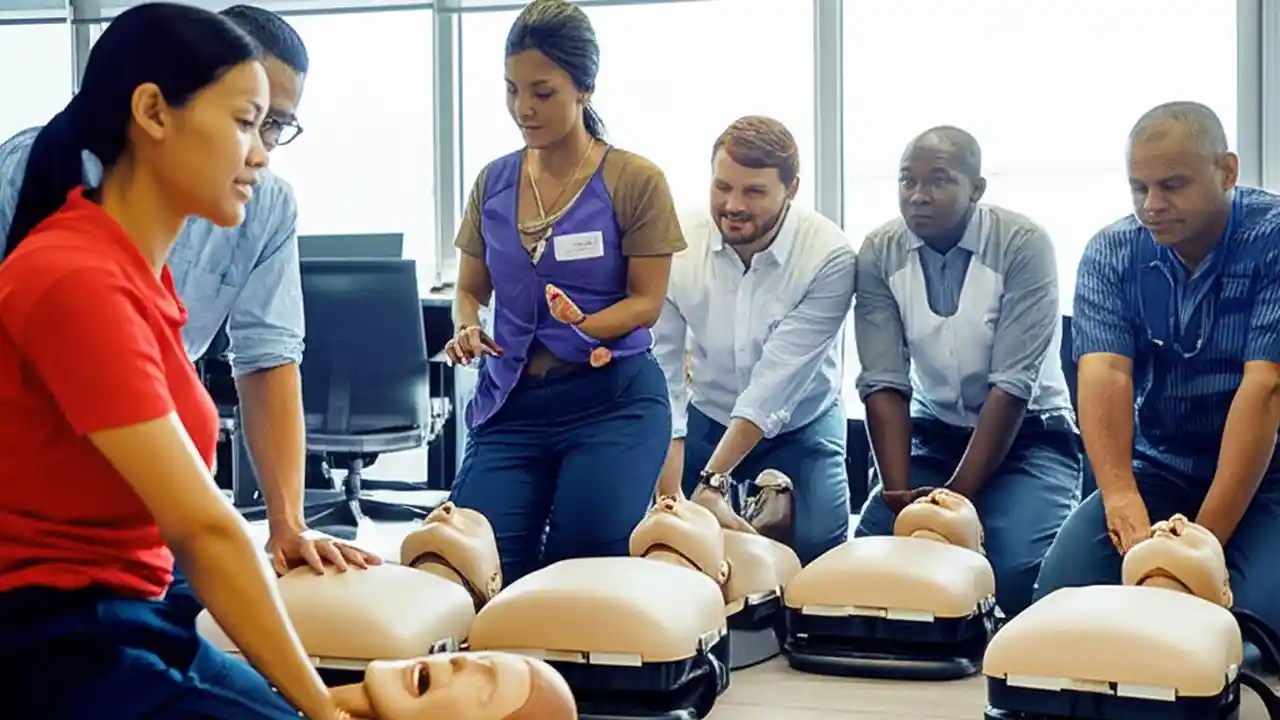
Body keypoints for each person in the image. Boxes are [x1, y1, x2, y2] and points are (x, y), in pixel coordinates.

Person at [0, 5, 349, 718]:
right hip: (46, 631)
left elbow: (270, 360)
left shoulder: (140, 276)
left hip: (133, 609)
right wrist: (323, 706)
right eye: (246, 122)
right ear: (154, 112)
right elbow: (205, 527)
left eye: (271, 129)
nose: (261, 154)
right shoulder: (75, 276)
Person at [444, 0, 684, 585]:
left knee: (582, 566)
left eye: (542, 92)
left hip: (611, 401)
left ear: (585, 90)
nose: (523, 108)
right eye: (511, 90)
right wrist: (467, 325)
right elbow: (470, 288)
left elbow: (646, 302)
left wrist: (586, 323)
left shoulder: (635, 179)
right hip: (513, 405)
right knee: (474, 563)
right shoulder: (493, 182)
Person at [1034, 102, 1280, 633]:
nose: (1152, 205)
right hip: (1162, 465)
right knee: (1060, 599)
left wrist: (1195, 549)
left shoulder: (1273, 239)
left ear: (1228, 171)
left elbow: (1265, 387)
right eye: (1139, 188)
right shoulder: (1112, 251)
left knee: (1254, 623)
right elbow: (1106, 375)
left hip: (1270, 472)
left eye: (1172, 185)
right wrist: (1121, 495)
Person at [852, 126, 1082, 617]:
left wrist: (952, 504)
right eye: (906, 180)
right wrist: (897, 496)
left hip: (1032, 439)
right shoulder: (878, 252)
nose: (918, 196)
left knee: (1014, 577)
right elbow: (883, 382)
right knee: (867, 566)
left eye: (938, 181)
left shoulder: (1023, 245)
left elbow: (1013, 387)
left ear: (976, 190)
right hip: (935, 438)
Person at [650, 115, 856, 565]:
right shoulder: (676, 244)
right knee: (669, 540)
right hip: (709, 412)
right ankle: (759, 507)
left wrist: (711, 483)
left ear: (792, 189)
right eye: (722, 187)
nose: (733, 205)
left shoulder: (829, 256)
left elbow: (772, 389)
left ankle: (766, 498)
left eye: (754, 192)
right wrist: (673, 504)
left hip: (802, 420)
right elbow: (662, 376)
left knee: (820, 550)